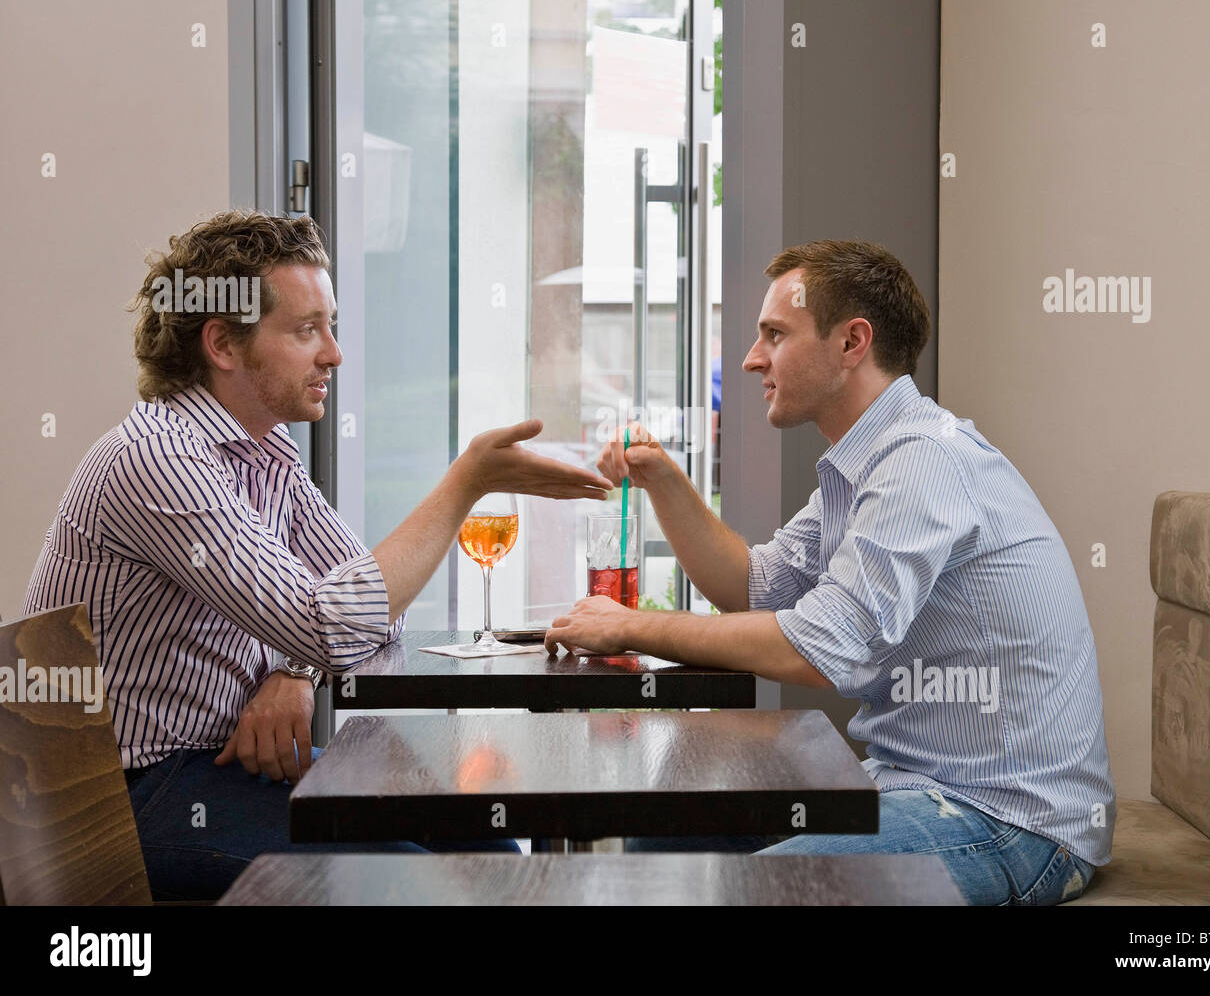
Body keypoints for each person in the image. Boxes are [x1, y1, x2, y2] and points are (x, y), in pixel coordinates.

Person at [23, 210, 612, 900]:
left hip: (214, 767)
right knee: (410, 884)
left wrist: (295, 670)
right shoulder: (159, 459)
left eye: (331, 326)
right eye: (307, 330)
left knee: (480, 836)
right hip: (121, 797)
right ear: (223, 343)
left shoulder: (264, 450)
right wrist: (465, 484)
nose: (333, 353)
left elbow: (367, 616)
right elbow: (334, 620)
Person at [545, 239, 1115, 906]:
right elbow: (754, 588)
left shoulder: (921, 462)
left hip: (1007, 820)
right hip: (906, 784)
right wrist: (666, 481)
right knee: (666, 825)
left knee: (751, 893)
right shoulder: (866, 465)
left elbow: (818, 646)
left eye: (774, 335)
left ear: (851, 343)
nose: (752, 358)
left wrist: (630, 626)